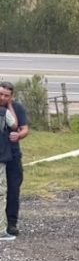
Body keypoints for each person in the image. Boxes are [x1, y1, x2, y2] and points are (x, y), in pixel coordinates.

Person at [0, 81, 28, 237]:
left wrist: (19, 135)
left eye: (6, 95)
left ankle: (11, 223)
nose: (3, 97)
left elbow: (23, 128)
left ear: (11, 96)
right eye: (1, 94)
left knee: (12, 190)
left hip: (13, 155)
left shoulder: (17, 108)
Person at [0, 96, 17, 241]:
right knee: (0, 194)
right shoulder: (3, 112)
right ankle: (1, 230)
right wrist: (9, 106)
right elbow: (14, 125)